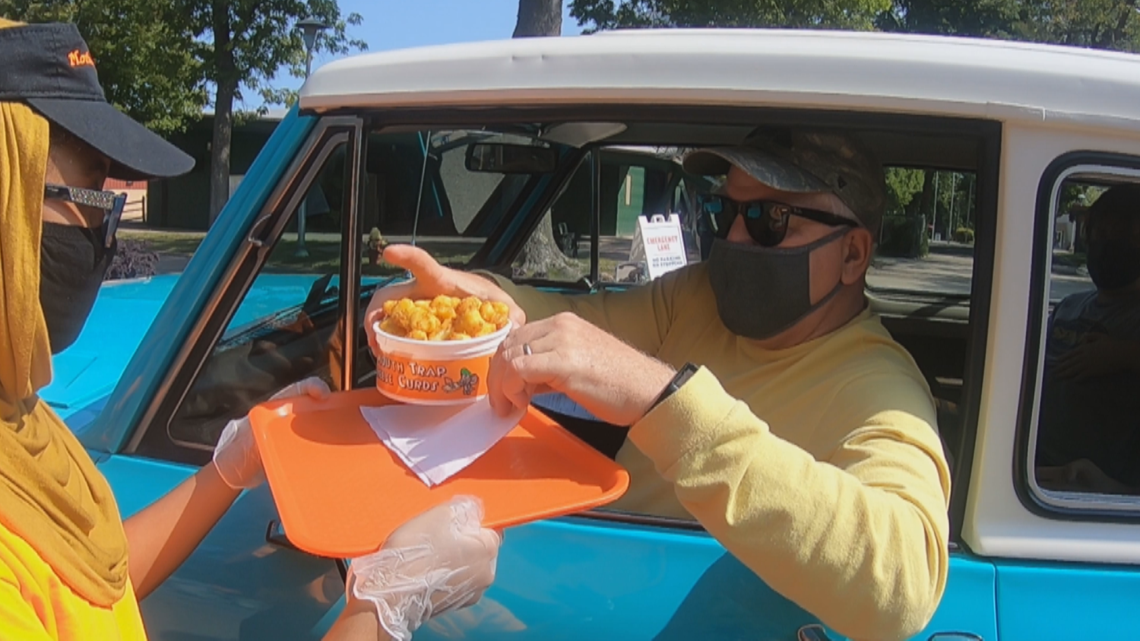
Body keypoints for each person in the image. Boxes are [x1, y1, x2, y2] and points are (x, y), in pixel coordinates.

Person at [0, 19, 500, 641]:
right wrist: (382, 608)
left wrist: (232, 465)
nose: (106, 235)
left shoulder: (18, 417)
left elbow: (93, 589)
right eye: (88, 199)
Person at [367, 128, 951, 641]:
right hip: (590, 589)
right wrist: (463, 300)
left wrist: (662, 397)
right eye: (728, 213)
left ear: (853, 254)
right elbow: (561, 326)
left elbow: (903, 588)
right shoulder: (697, 297)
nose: (738, 240)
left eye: (770, 219)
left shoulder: (879, 386)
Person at [1036, 184, 1140, 496]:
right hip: (1027, 465)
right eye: (1098, 233)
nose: (1106, 243)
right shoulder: (1071, 305)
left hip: (1082, 484)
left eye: (1122, 234)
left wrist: (1121, 355)